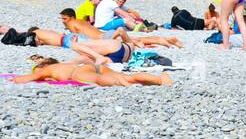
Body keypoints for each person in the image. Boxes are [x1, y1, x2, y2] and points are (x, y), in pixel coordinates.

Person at [16, 55, 172, 86]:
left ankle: (125, 84)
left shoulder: (47, 69)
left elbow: (26, 78)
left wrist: (13, 79)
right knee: (128, 76)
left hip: (78, 74)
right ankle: (160, 79)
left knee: (118, 81)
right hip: (90, 67)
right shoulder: (61, 65)